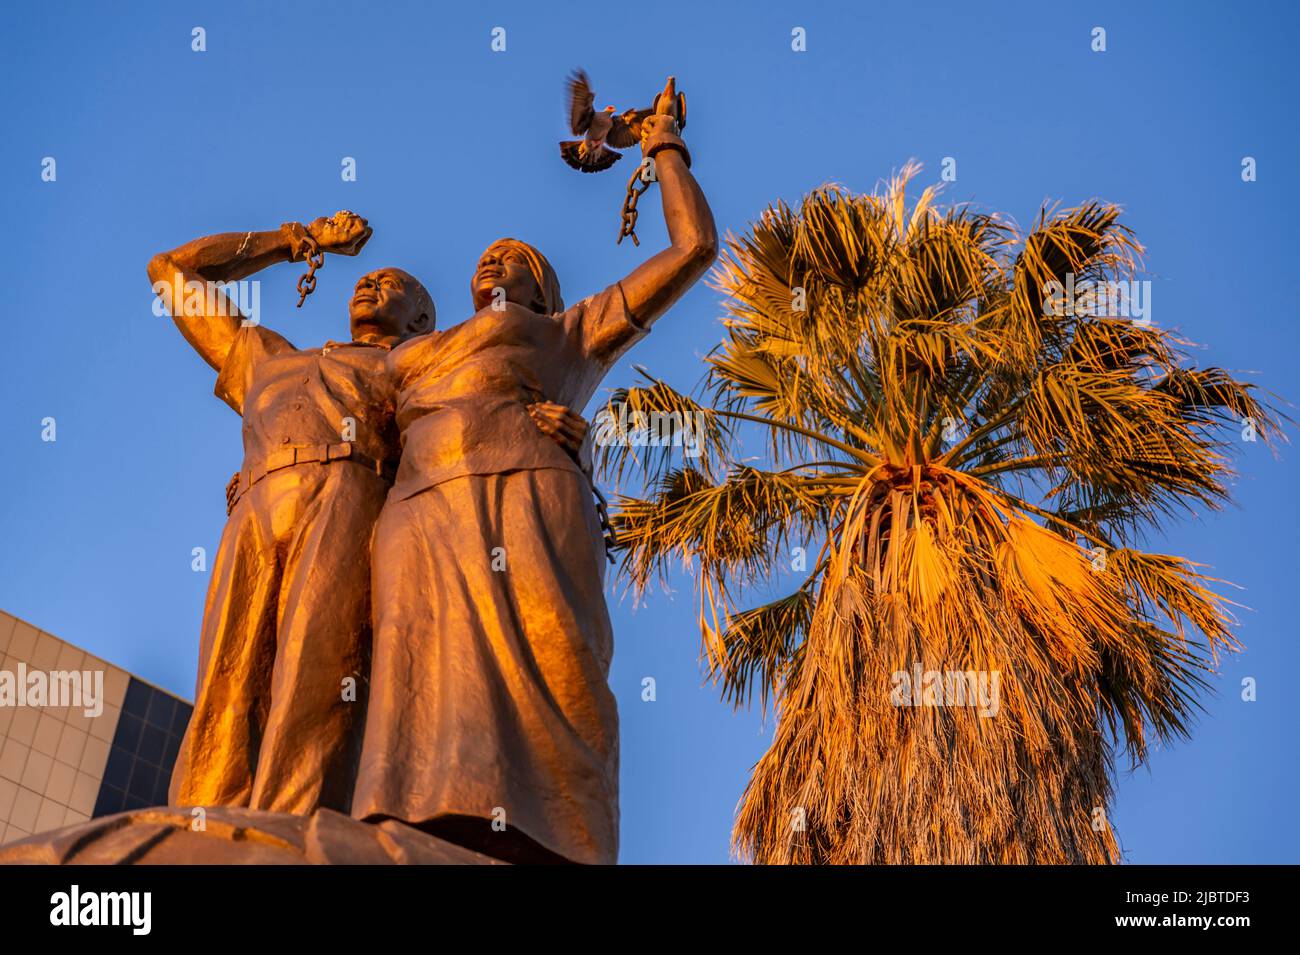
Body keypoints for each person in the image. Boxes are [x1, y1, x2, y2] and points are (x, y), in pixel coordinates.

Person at [353, 108, 717, 863]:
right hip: (419, 515)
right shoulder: (416, 354)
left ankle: (559, 839)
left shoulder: (568, 332)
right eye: (485, 257)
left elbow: (692, 247)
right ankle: (417, 830)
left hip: (524, 500)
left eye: (511, 257)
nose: (491, 262)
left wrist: (665, 147)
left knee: (556, 673)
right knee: (417, 686)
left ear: (544, 289)